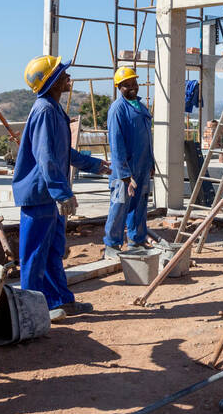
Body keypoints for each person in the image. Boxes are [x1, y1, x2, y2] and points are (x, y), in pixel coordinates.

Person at [13, 55, 107, 320]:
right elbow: (46, 157)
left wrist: (96, 165)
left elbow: (64, 153)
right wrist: (62, 192)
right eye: (62, 74)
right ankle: (32, 312)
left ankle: (59, 301)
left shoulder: (53, 109)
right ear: (52, 81)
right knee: (34, 254)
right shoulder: (44, 111)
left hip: (48, 195)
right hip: (39, 195)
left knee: (53, 250)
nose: (68, 78)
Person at [104, 65, 153, 256]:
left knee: (140, 205)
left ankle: (137, 241)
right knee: (119, 206)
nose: (132, 87)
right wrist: (124, 174)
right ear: (119, 87)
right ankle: (112, 245)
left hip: (142, 166)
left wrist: (151, 162)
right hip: (124, 170)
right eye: (127, 85)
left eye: (134, 83)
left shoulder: (140, 106)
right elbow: (116, 143)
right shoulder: (117, 109)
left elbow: (147, 137)